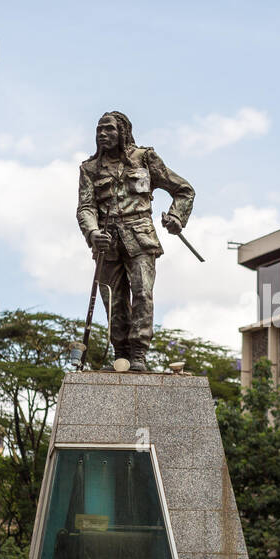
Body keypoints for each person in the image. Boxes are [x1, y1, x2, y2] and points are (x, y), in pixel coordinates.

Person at [77, 111, 195, 372]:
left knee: (142, 293)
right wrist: (92, 232)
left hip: (140, 237)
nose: (102, 134)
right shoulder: (89, 169)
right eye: (99, 130)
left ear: (123, 132)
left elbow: (184, 190)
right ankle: (121, 356)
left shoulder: (145, 158)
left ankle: (139, 354)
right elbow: (85, 207)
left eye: (108, 129)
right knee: (113, 299)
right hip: (107, 242)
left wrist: (176, 217)